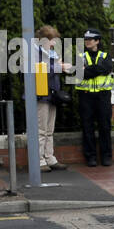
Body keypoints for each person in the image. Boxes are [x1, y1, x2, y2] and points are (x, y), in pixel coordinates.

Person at [35, 25, 73, 172]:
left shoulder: (50, 54)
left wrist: (59, 65)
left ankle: (50, 158)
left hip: (51, 94)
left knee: (49, 129)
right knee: (41, 130)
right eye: (53, 40)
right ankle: (39, 160)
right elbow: (41, 71)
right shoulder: (36, 54)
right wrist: (59, 66)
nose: (55, 43)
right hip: (41, 94)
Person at [75, 29, 114, 166]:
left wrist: (89, 70)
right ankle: (90, 157)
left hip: (103, 96)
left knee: (105, 126)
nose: (87, 42)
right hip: (86, 96)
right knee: (87, 127)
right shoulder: (80, 56)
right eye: (86, 39)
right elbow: (81, 74)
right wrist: (96, 69)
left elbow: (107, 68)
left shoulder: (105, 56)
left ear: (97, 41)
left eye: (90, 39)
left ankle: (106, 156)